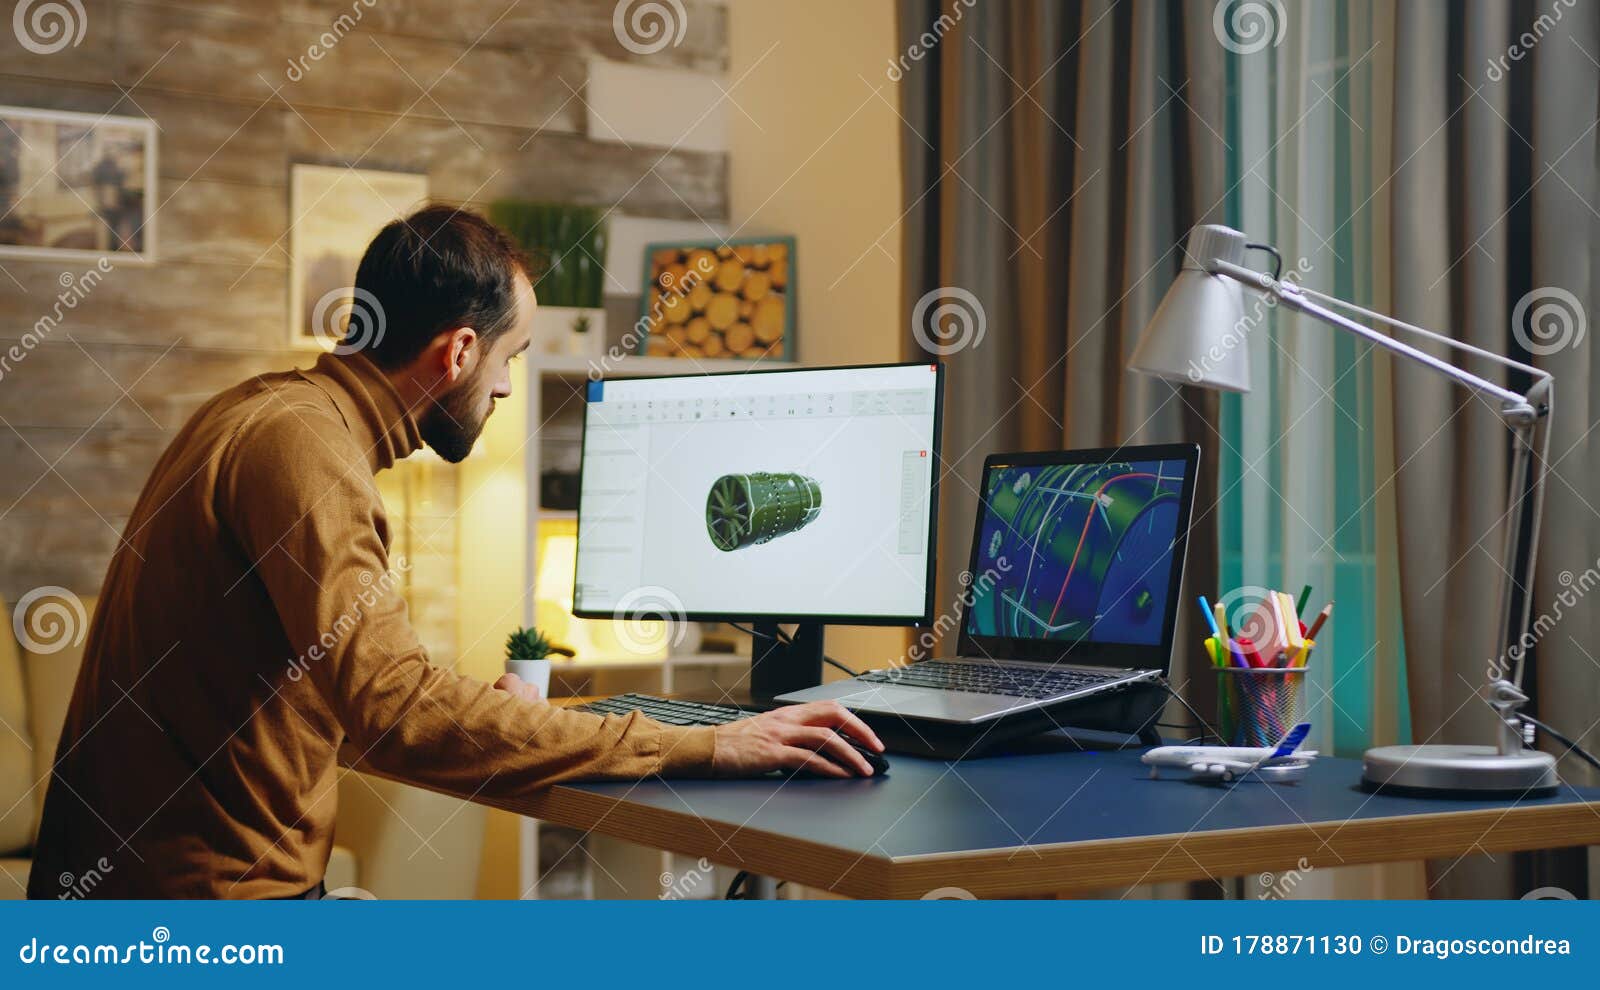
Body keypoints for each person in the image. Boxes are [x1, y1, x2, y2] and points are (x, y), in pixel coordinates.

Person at [28, 205, 882, 899]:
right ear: (459, 351)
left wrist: (515, 720)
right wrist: (707, 744)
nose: (508, 388)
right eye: (510, 358)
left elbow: (347, 698)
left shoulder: (261, 414)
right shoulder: (307, 456)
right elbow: (396, 714)